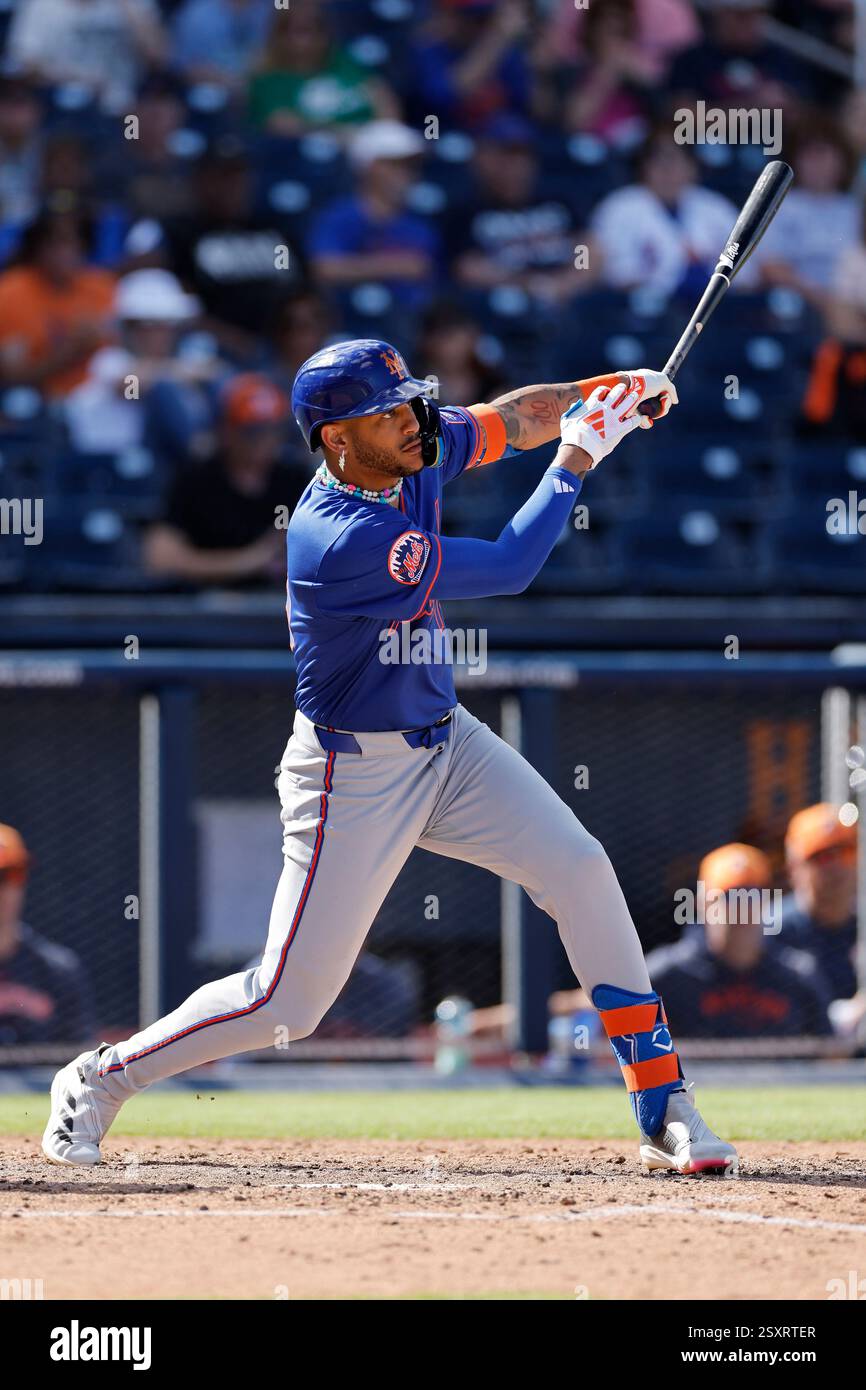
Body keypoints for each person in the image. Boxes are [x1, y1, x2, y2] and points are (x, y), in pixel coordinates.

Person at [43, 343, 736, 1179]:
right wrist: (580, 456)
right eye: (389, 412)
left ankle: (664, 1105)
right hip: (352, 776)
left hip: (450, 742)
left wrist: (613, 390)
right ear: (337, 439)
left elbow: (512, 418)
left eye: (412, 404)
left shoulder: (408, 445)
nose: (414, 422)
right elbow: (513, 567)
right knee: (286, 1004)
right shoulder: (340, 536)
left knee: (582, 869)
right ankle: (98, 1079)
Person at [646, 843, 832, 1038]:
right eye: (730, 897)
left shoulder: (798, 977)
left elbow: (832, 1056)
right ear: (703, 904)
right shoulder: (667, 977)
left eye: (753, 896)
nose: (743, 909)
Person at [143, 374, 302, 586]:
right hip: (205, 605)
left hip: (280, 604)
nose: (265, 442)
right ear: (226, 430)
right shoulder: (196, 479)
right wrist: (250, 560)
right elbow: (160, 560)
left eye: (273, 431)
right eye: (252, 432)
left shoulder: (293, 479)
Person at [65, 268, 219, 460]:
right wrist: (179, 375)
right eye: (147, 327)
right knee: (163, 389)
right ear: (128, 329)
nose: (159, 335)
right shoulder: (110, 360)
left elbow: (215, 372)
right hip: (108, 464)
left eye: (165, 326)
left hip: (158, 460)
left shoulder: (183, 360)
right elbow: (132, 391)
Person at [447, 114, 598, 306]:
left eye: (523, 157)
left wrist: (570, 281)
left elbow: (586, 247)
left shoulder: (559, 201)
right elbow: (468, 269)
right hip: (504, 305)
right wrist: (530, 285)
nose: (516, 167)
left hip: (567, 295)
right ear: (482, 159)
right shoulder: (467, 211)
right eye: (506, 157)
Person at [590, 130, 752, 298]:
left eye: (675, 161)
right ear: (643, 167)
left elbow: (747, 274)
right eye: (658, 162)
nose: (667, 170)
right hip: (649, 309)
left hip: (716, 306)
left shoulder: (716, 207)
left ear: (692, 167)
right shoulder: (619, 207)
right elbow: (616, 275)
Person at [308, 121, 439, 314]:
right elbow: (323, 268)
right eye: (396, 165)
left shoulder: (420, 225)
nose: (407, 174)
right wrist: (395, 267)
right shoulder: (339, 217)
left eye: (412, 166)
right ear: (369, 167)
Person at [0, 202, 115, 398]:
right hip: (39, 403)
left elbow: (127, 361)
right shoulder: (10, 291)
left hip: (101, 398)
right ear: (37, 247)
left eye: (74, 242)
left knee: (133, 382)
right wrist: (70, 351)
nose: (65, 253)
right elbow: (10, 377)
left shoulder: (104, 287)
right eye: (55, 243)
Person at [0, 823, 94, 1047]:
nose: (1, 889)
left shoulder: (57, 970)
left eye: (9, 875)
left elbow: (80, 1059)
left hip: (42, 1081)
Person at [248, 2, 399, 136]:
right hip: (319, 148)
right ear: (281, 37)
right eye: (301, 32)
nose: (311, 40)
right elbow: (281, 124)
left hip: (371, 143)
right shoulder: (270, 79)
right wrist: (341, 133)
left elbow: (383, 100)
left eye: (318, 30)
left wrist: (382, 134)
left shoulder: (345, 61)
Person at [6, 0, 167, 109]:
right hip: (60, 108)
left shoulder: (134, 4)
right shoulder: (41, 5)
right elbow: (23, 64)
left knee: (135, 132)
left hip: (126, 111)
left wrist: (126, 5)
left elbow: (157, 57)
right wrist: (78, 78)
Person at [781, 804, 858, 1004]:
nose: (836, 866)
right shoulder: (772, 931)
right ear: (793, 869)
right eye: (823, 857)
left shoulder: (862, 925)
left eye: (846, 852)